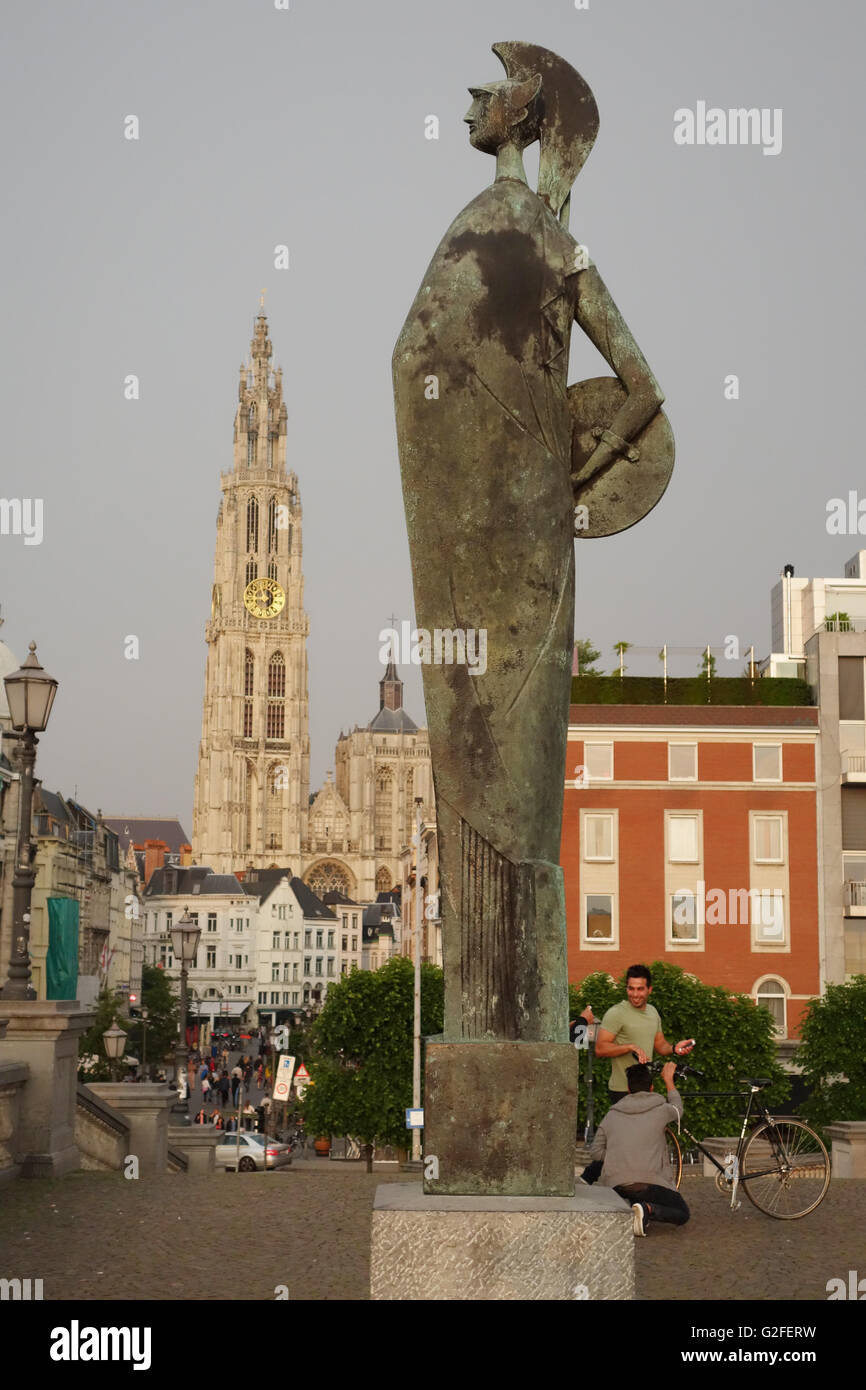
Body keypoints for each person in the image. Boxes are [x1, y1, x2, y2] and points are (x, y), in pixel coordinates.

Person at [579, 964, 694, 1183]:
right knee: (623, 1145)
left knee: (634, 1145)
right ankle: (594, 1179)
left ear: (649, 989)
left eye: (640, 989)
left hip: (645, 1088)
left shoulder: (653, 1013)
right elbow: (601, 1048)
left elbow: (660, 1044)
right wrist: (629, 1047)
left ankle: (589, 1179)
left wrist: (674, 1048)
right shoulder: (616, 1013)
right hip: (623, 1089)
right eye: (631, 989)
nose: (635, 994)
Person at [590, 1061, 690, 1235]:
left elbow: (595, 1152)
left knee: (625, 1195)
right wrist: (669, 1081)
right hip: (651, 1184)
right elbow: (678, 1109)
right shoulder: (662, 1110)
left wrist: (619, 1154)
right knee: (682, 1213)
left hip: (617, 1184)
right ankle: (648, 1209)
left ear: (628, 1090)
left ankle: (630, 1209)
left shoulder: (611, 1115)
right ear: (651, 1088)